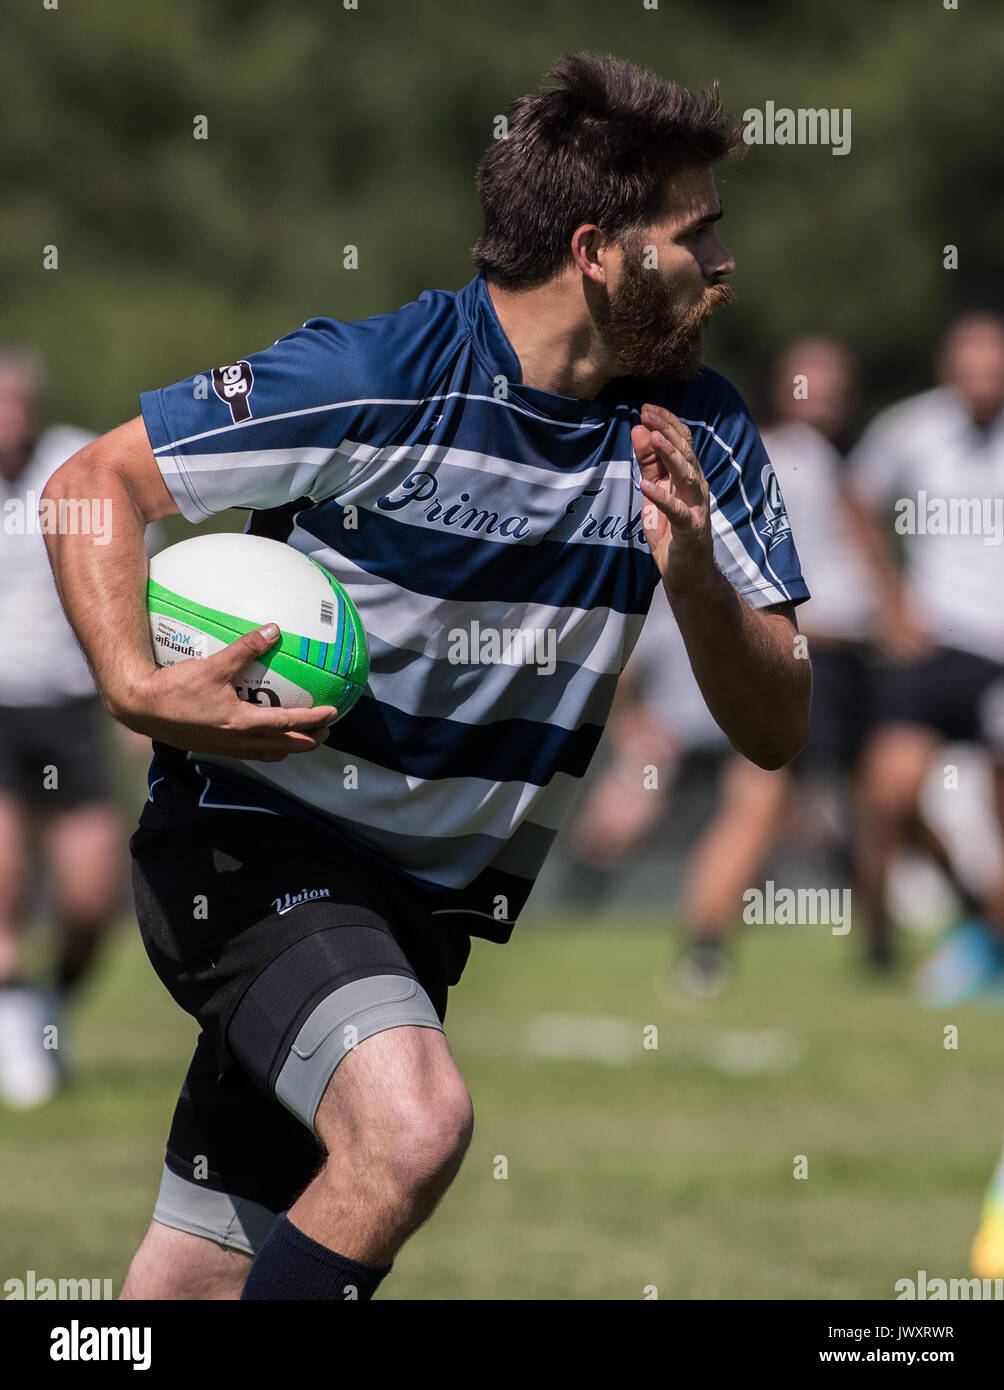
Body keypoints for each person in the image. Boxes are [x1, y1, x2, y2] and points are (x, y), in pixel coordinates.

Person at [42, 54, 810, 1301]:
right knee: (409, 1129)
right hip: (252, 848)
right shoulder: (378, 375)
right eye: (695, 234)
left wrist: (697, 587)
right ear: (595, 251)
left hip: (416, 913)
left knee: (186, 1284)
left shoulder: (699, 430)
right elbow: (91, 487)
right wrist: (132, 683)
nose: (722, 266)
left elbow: (777, 725)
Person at [569, 336, 872, 996]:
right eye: (809, 384)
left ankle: (618, 913)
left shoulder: (738, 444)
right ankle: (703, 946)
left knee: (729, 799)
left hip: (696, 652)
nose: (821, 399)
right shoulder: (796, 459)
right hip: (751, 654)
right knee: (764, 799)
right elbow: (817, 588)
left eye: (832, 386)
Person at [848, 312, 1004, 996]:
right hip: (933, 646)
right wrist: (891, 602)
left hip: (1000, 650)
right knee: (889, 793)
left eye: (992, 372)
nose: (980, 385)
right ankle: (884, 940)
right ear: (948, 371)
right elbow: (855, 497)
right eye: (968, 371)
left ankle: (989, 942)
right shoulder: (911, 427)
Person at [0, 348, 125, 1107]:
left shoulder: (77, 471)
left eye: (19, 406)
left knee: (88, 904)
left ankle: (46, 1013)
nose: (9, 422)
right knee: (4, 889)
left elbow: (132, 584)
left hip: (72, 713)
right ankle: (16, 1038)